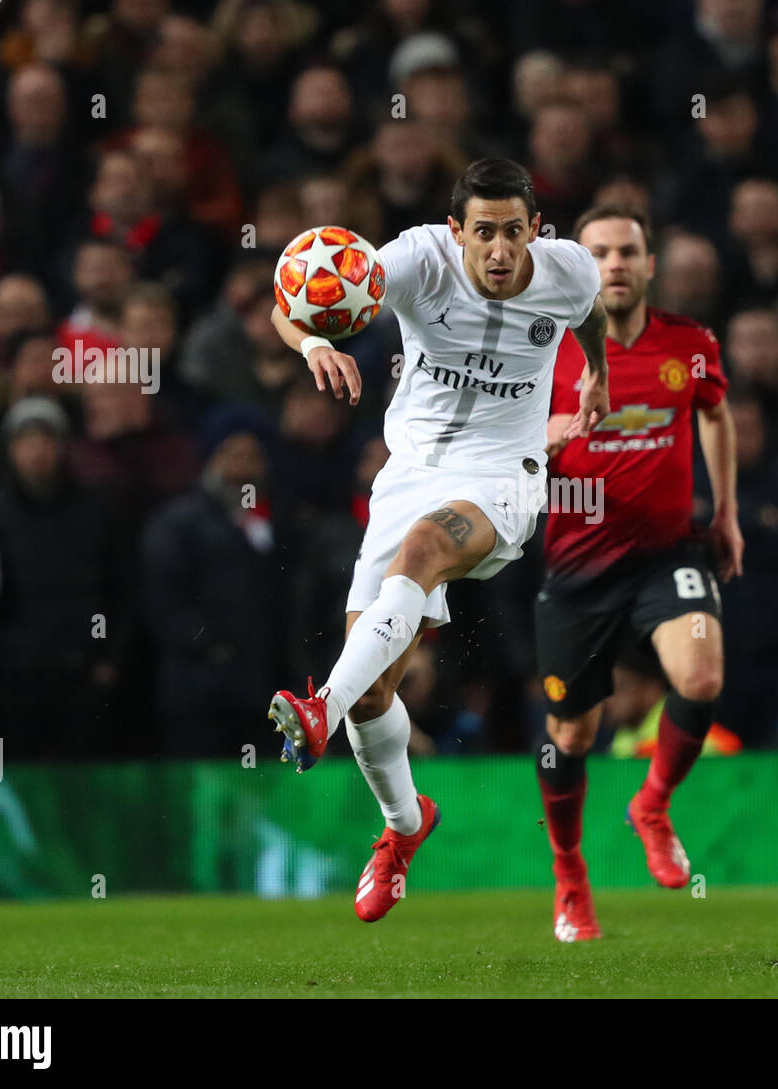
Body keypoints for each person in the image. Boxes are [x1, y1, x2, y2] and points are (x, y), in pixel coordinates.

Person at [265, 159, 608, 924]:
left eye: (513, 232)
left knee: (422, 550)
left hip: (505, 474)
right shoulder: (418, 260)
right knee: (375, 694)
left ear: (536, 230)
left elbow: (589, 314)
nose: (499, 249)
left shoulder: (569, 271)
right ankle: (404, 825)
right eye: (483, 232)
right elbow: (291, 301)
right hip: (410, 472)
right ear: (457, 231)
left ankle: (317, 708)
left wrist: (597, 373)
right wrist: (312, 346)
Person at [534, 205, 742, 941]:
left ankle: (652, 804)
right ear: (577, 267)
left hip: (666, 551)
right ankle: (569, 876)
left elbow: (714, 412)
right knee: (572, 735)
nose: (615, 264)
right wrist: (542, 440)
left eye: (627, 251)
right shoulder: (548, 351)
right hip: (578, 563)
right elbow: (500, 438)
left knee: (702, 676)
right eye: (598, 253)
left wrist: (726, 511)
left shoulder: (689, 344)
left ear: (651, 265)